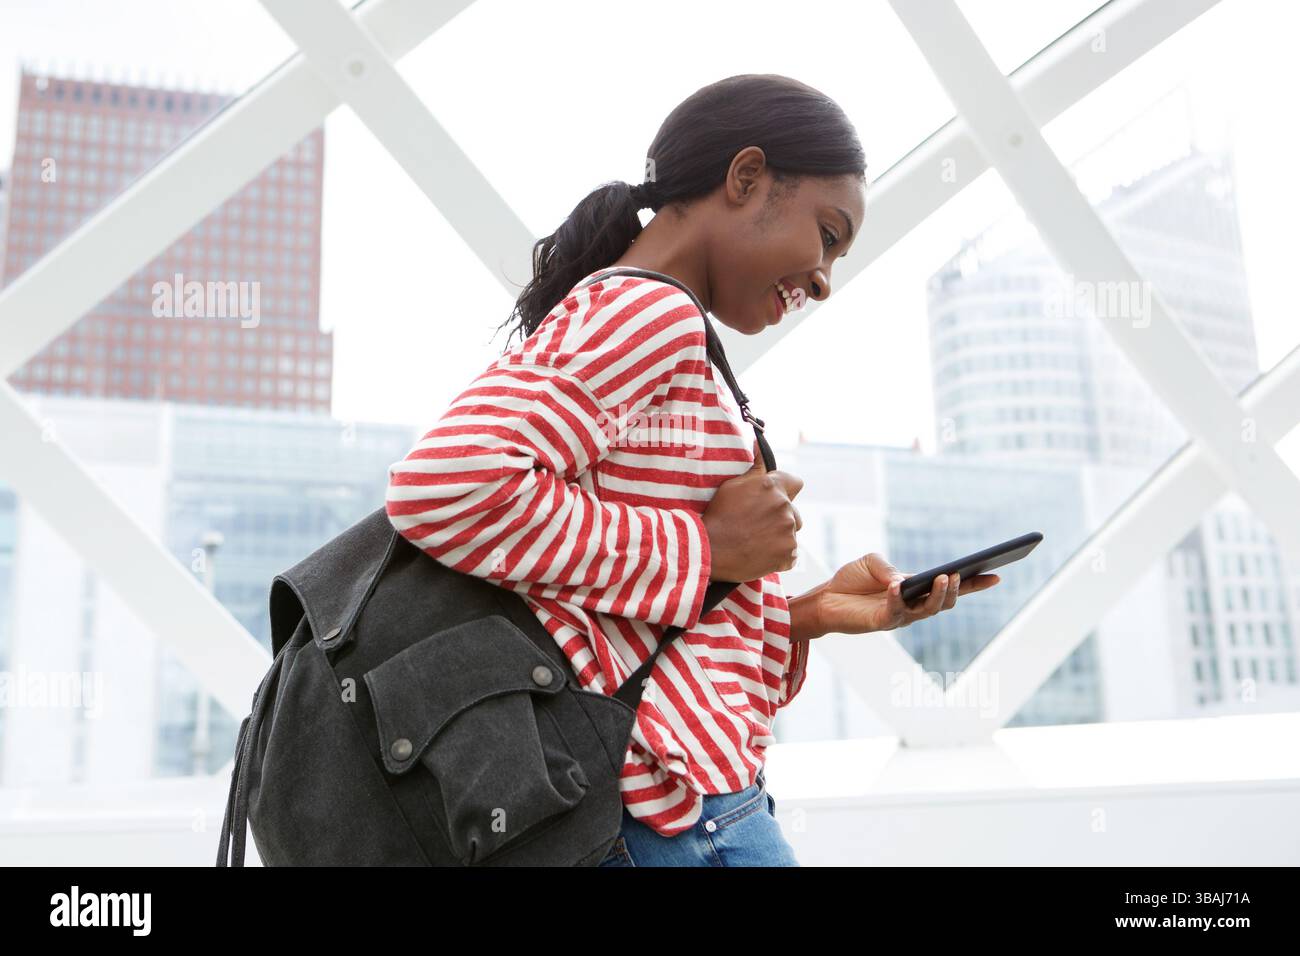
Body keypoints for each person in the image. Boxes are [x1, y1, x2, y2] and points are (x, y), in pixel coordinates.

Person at [385, 74, 999, 867]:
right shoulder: (653, 312)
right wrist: (708, 550)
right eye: (827, 233)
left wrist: (806, 613)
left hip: (676, 807)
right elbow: (446, 486)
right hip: (673, 824)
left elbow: (623, 629)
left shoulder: (648, 319)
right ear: (747, 179)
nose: (823, 279)